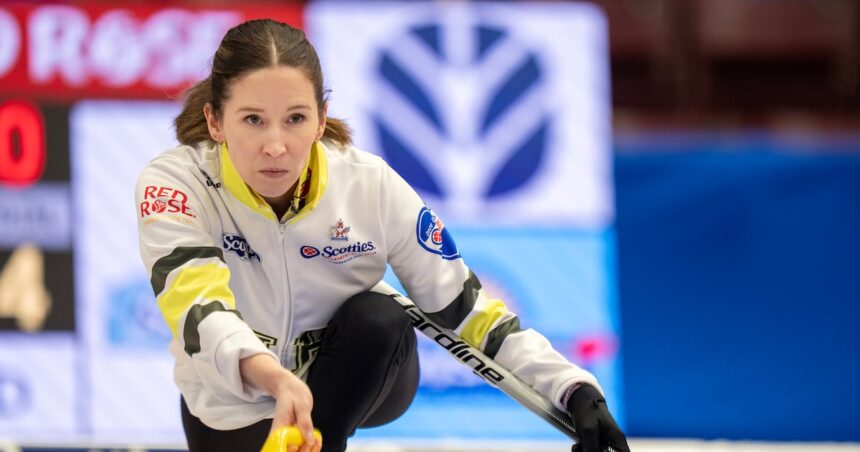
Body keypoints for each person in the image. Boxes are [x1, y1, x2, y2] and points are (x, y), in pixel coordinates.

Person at [136, 18, 629, 452]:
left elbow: (469, 309)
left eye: (295, 119)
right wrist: (278, 382)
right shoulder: (176, 185)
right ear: (215, 121)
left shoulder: (369, 186)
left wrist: (573, 387)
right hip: (231, 406)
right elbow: (201, 311)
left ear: (321, 119)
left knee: (380, 317)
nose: (276, 146)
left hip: (356, 385)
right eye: (252, 120)